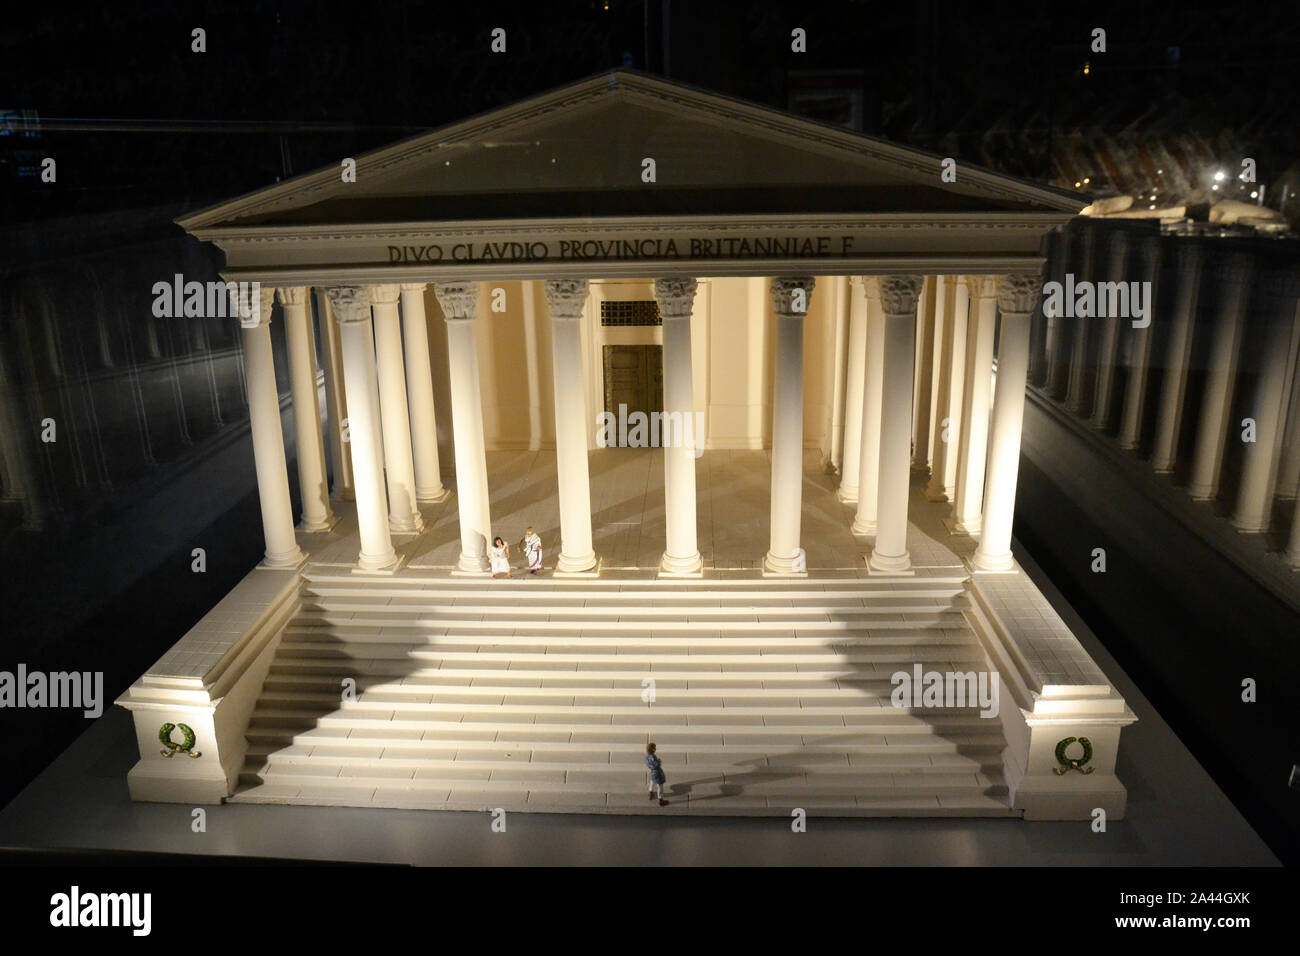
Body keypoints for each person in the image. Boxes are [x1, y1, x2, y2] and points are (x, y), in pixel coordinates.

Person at [645, 742, 668, 806]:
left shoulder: (647, 757)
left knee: (652, 782)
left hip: (652, 772)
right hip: (657, 772)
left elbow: (648, 764)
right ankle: (660, 799)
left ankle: (651, 793)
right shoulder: (653, 756)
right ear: (653, 749)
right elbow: (656, 764)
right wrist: (659, 761)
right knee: (660, 786)